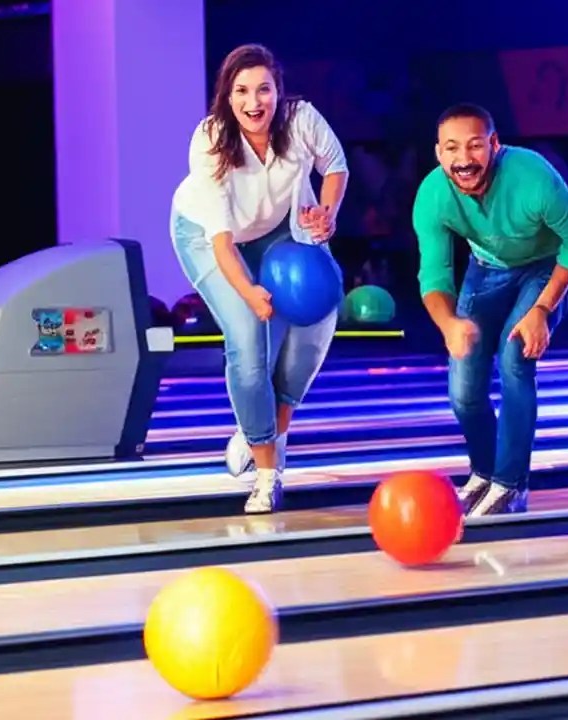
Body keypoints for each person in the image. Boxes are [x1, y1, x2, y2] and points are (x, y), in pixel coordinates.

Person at [169, 44, 349, 514]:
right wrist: (250, 293)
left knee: (317, 319)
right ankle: (268, 475)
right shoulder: (210, 143)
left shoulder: (301, 119)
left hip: (274, 231)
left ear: (278, 90)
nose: (255, 102)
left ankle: (263, 427)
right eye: (242, 91)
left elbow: (336, 167)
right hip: (206, 238)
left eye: (264, 89)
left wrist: (326, 214)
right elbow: (224, 245)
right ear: (227, 98)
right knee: (249, 340)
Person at [412, 103, 568, 517]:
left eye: (475, 146)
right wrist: (449, 324)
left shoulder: (532, 177)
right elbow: (434, 276)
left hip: (549, 265)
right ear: (439, 154)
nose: (463, 159)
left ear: (494, 144)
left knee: (514, 358)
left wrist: (543, 308)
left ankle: (512, 483)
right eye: (452, 149)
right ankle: (485, 470)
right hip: (488, 268)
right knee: (463, 388)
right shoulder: (432, 195)